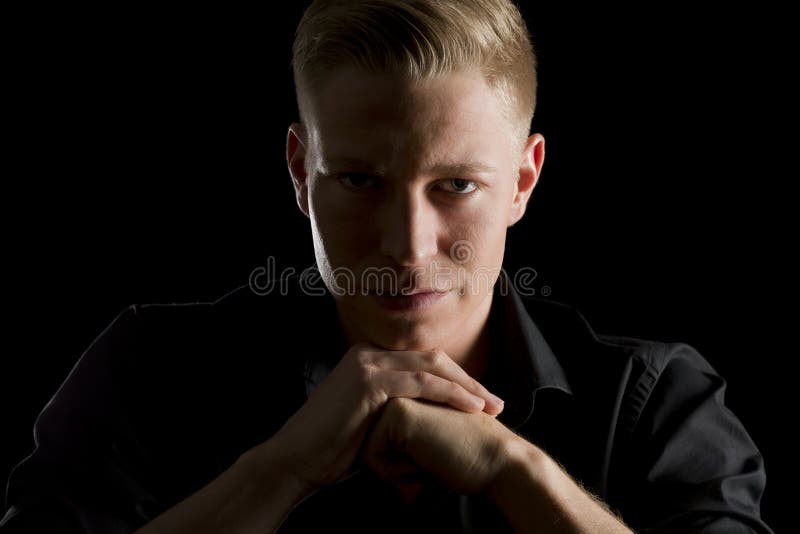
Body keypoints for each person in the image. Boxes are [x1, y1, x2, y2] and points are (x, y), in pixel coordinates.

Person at [0, 0, 773, 532]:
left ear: (523, 182)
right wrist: (275, 473)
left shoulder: (657, 408)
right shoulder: (149, 373)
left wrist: (515, 472)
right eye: (361, 181)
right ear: (301, 173)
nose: (406, 245)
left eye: (457, 185)